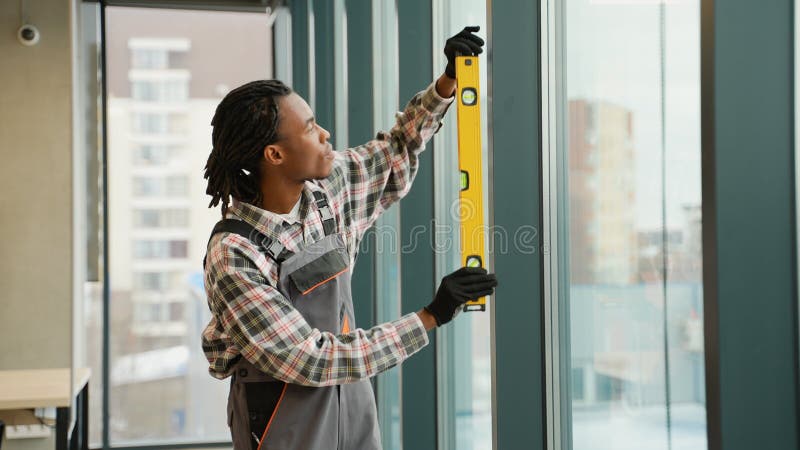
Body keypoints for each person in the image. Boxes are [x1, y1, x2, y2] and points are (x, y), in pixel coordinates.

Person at [201, 26, 496, 450]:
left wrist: (448, 81)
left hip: (352, 406)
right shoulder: (235, 255)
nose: (325, 135)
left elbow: (396, 148)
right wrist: (430, 316)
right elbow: (312, 359)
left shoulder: (324, 196)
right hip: (284, 422)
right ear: (275, 154)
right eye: (309, 128)